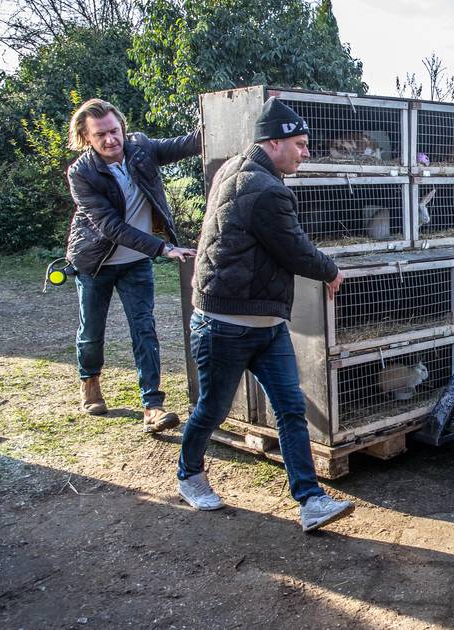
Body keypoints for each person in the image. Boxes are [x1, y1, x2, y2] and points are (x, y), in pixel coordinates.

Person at [176, 97, 352, 533]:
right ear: (274, 142)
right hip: (226, 324)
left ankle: (311, 500)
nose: (306, 153)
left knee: (291, 408)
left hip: (263, 322)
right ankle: (188, 474)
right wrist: (331, 271)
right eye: (300, 143)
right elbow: (294, 249)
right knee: (212, 410)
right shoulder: (266, 190)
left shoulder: (238, 168)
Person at [65, 98, 199, 431]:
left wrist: (243, 115)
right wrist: (163, 247)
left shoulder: (141, 147)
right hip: (95, 262)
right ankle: (90, 381)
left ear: (122, 127)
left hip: (137, 261)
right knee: (92, 332)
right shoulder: (81, 172)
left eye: (114, 131)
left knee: (144, 329)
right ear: (86, 137)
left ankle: (152, 406)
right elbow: (109, 226)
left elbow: (189, 143)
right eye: (101, 135)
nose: (110, 139)